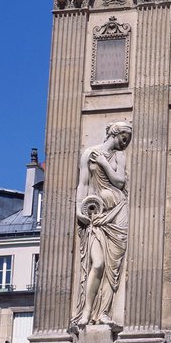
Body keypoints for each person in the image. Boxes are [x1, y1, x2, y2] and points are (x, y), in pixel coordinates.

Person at [70, 121, 132, 331]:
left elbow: (120, 182)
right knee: (97, 264)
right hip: (98, 213)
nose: (127, 142)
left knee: (113, 270)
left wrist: (105, 164)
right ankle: (87, 311)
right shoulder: (89, 153)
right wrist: (79, 208)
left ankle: (104, 312)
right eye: (125, 136)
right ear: (115, 133)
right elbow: (84, 184)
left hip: (118, 214)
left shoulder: (120, 157)